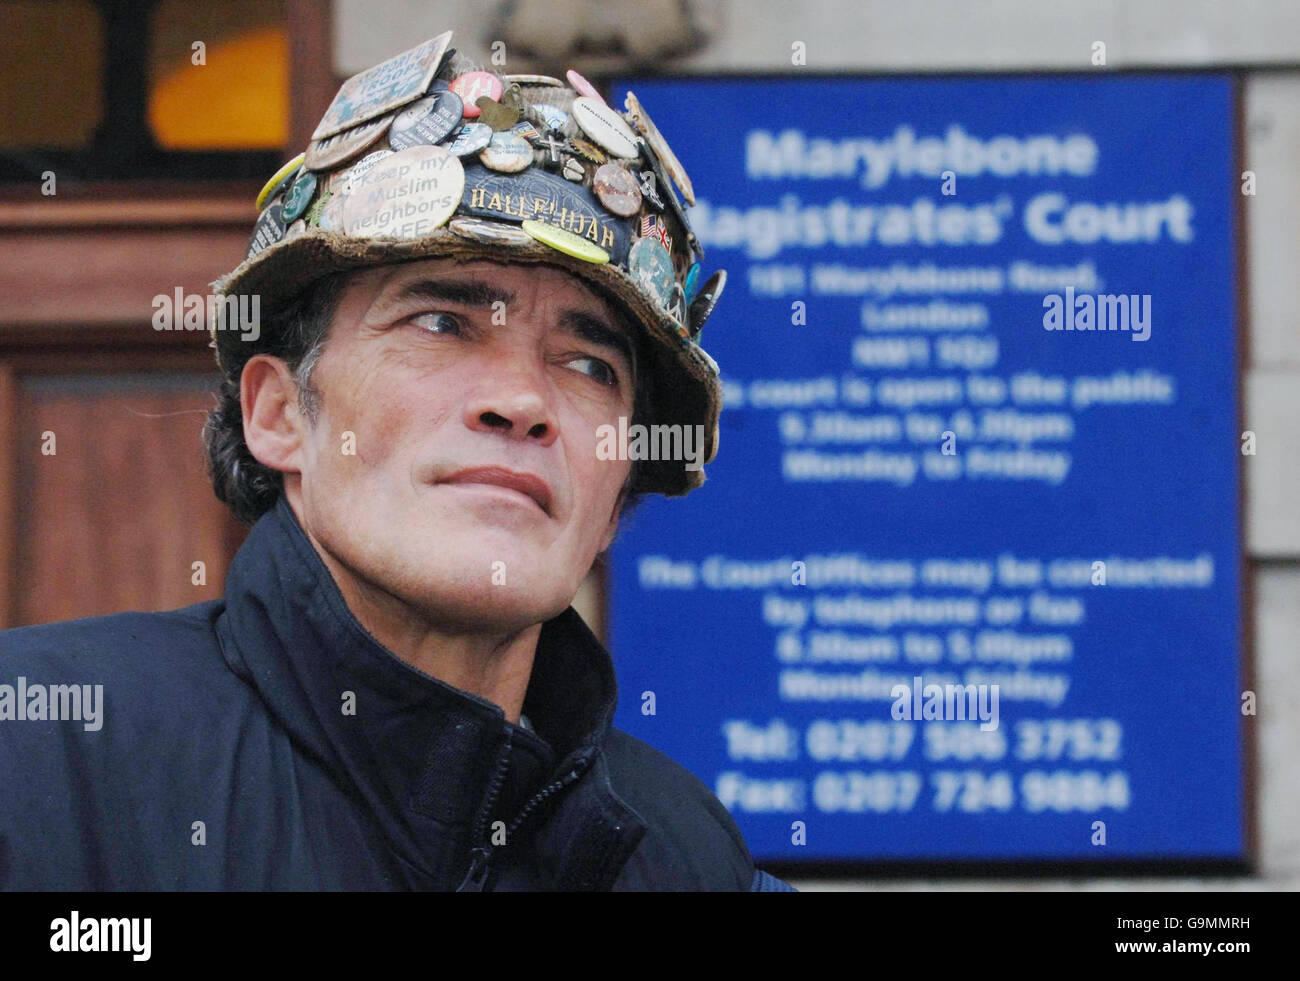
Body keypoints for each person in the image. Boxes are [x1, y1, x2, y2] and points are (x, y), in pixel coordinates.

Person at [0, 30, 794, 892]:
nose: (522, 401)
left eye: (588, 364)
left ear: (613, 499)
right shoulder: (40, 755)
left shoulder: (690, 857)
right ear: (277, 414)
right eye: (441, 323)